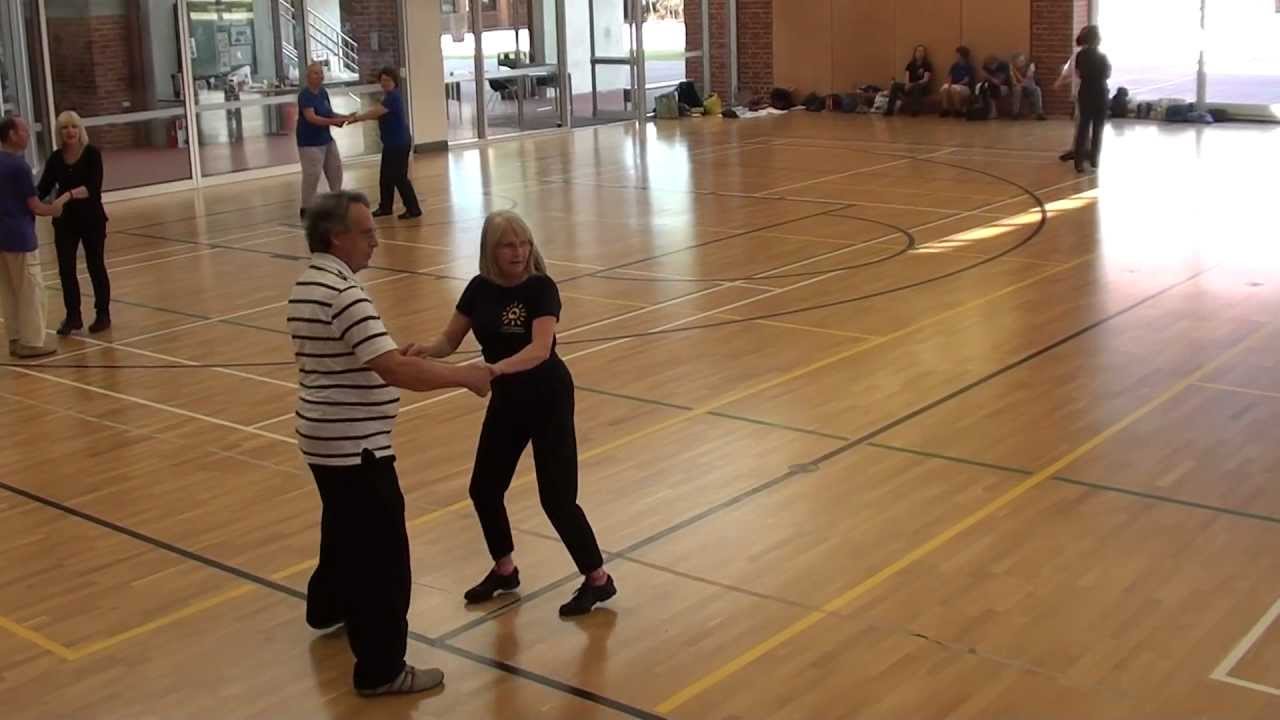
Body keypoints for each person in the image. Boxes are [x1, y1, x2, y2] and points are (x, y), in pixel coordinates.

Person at [289, 190, 491, 697]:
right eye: (366, 233)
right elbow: (395, 371)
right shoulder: (345, 293)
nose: (375, 241)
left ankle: (328, 606)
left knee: (343, 527)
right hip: (355, 444)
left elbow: (361, 357)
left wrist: (391, 359)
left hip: (322, 437)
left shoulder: (308, 282)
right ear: (336, 238)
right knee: (382, 558)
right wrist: (463, 375)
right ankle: (381, 669)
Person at [401, 210, 616, 618]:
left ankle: (598, 578)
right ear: (490, 250)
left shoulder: (541, 288)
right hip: (508, 400)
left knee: (557, 498)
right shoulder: (478, 289)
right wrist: (425, 350)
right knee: (484, 488)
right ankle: (505, 569)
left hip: (548, 397)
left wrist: (494, 369)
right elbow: (449, 339)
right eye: (508, 245)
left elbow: (539, 349)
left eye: (524, 243)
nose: (518, 252)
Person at [1, 115, 70, 358]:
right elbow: (35, 206)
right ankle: (31, 341)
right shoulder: (19, 167)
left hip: (2, 237)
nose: (28, 135)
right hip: (20, 237)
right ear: (12, 134)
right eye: (24, 131)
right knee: (30, 290)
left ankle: (15, 338)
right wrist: (56, 208)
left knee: (9, 290)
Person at [39, 110, 111, 335]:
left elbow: (93, 188)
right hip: (65, 222)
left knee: (95, 265)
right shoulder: (55, 158)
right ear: (58, 132)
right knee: (66, 269)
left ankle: (102, 314)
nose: (70, 131)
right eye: (64, 127)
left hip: (91, 219)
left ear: (80, 130)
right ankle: (73, 316)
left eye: (73, 126)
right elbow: (42, 188)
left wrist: (66, 196)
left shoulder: (92, 154)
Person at [349, 67, 422, 220]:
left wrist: (357, 118)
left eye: (388, 80)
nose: (384, 83)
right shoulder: (389, 97)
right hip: (392, 143)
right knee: (386, 177)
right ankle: (385, 207)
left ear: (394, 82)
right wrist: (358, 117)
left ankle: (413, 209)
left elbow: (376, 112)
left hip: (398, 143)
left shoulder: (393, 97)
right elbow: (379, 114)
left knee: (399, 177)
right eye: (382, 80)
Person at [297, 63, 352, 220]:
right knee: (312, 175)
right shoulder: (305, 95)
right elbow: (312, 118)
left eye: (321, 73)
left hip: (326, 139)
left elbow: (329, 113)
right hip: (310, 143)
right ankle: (306, 208)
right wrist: (334, 122)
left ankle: (336, 202)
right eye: (315, 73)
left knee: (335, 169)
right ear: (308, 76)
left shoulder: (323, 92)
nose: (320, 76)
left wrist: (344, 117)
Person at [1072, 25, 1110, 173]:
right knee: (1098, 128)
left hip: (1086, 91)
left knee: (1083, 127)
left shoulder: (1080, 56)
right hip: (1100, 92)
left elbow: (1079, 73)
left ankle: (1079, 161)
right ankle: (1094, 159)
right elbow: (1107, 74)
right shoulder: (1102, 57)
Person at [1055, 28, 1086, 162]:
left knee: (1081, 122)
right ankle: (1080, 148)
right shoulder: (1078, 55)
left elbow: (1069, 74)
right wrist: (1060, 82)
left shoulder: (1080, 55)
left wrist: (1059, 82)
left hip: (1084, 92)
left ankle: (1080, 149)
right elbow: (1070, 74)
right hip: (1082, 92)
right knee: (1081, 121)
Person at [885, 44, 932, 118]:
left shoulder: (927, 65)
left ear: (924, 53)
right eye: (918, 51)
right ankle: (889, 109)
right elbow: (907, 76)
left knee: (917, 86)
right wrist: (907, 84)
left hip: (921, 87)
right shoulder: (910, 64)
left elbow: (925, 80)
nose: (920, 53)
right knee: (894, 85)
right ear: (915, 53)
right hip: (910, 86)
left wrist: (912, 84)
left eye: (922, 51)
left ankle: (915, 110)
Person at [939, 46, 975, 118]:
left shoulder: (969, 67)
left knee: (955, 90)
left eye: (958, 54)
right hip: (953, 85)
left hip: (965, 87)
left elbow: (967, 80)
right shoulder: (954, 65)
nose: (956, 56)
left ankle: (958, 110)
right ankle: (945, 109)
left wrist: (955, 85)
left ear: (962, 56)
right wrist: (949, 85)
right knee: (944, 89)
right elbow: (950, 77)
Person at [1009, 53, 1046, 120]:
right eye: (1019, 61)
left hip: (1029, 87)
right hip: (1018, 88)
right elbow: (1014, 82)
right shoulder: (1011, 68)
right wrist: (1012, 71)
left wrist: (1015, 72)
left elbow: (1027, 80)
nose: (1022, 62)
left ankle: (1039, 113)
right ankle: (1015, 113)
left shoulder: (1031, 66)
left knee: (1037, 89)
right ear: (1014, 62)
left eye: (1023, 60)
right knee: (1017, 89)